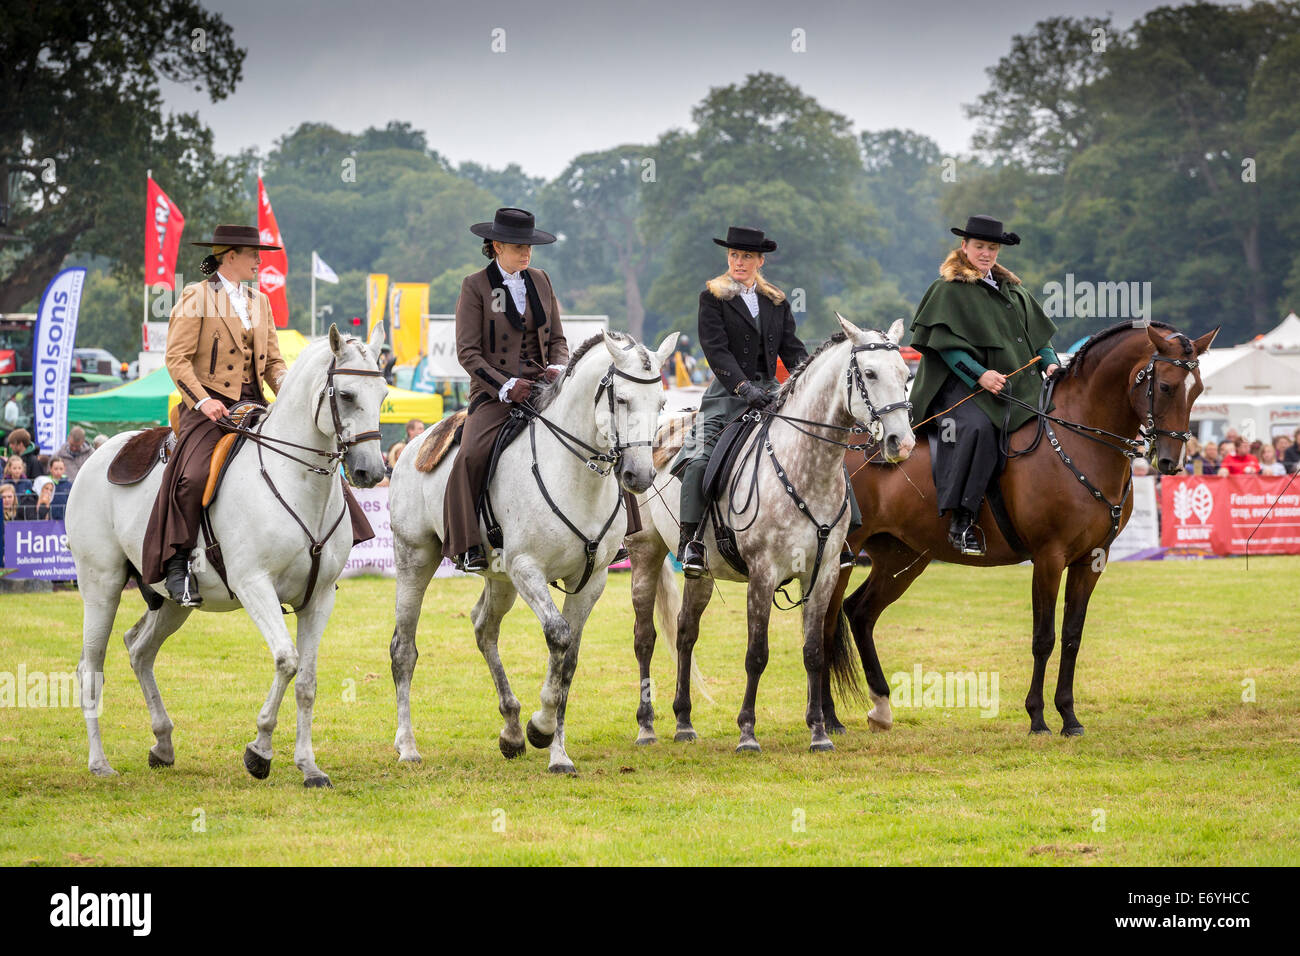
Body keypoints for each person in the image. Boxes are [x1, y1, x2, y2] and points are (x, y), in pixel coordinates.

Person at [142, 224, 373, 607]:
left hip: (253, 404)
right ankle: (179, 561)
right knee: (193, 475)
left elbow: (274, 363)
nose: (259, 261)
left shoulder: (260, 302)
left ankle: (328, 556)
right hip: (208, 408)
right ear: (229, 256)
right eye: (253, 255)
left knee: (316, 457)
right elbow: (177, 360)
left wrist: (291, 389)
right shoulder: (195, 296)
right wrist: (202, 402)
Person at [672, 225, 858, 577]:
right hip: (727, 397)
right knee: (699, 460)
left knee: (825, 453)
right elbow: (716, 351)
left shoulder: (776, 301)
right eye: (733, 255)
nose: (738, 262)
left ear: (760, 260)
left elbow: (792, 349)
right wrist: (743, 388)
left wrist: (807, 380)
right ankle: (691, 542)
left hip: (773, 395)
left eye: (746, 256)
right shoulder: (712, 297)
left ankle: (845, 537)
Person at [908, 215, 1060, 556]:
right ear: (964, 247)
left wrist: (1051, 362)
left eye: (992, 248)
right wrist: (980, 374)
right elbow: (947, 348)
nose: (986, 253)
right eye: (980, 247)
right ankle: (961, 519)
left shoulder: (1014, 290)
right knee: (978, 428)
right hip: (960, 386)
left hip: (1016, 387)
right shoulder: (948, 290)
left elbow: (1038, 338)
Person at [443, 207, 569, 572]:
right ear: (496, 246)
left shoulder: (542, 280)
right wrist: (505, 384)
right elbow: (468, 352)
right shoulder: (475, 286)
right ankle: (467, 545)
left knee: (597, 429)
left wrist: (558, 365)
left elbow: (558, 339)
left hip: (544, 385)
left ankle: (621, 534)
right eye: (518, 246)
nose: (527, 253)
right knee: (470, 455)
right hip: (495, 391)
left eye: (529, 246)